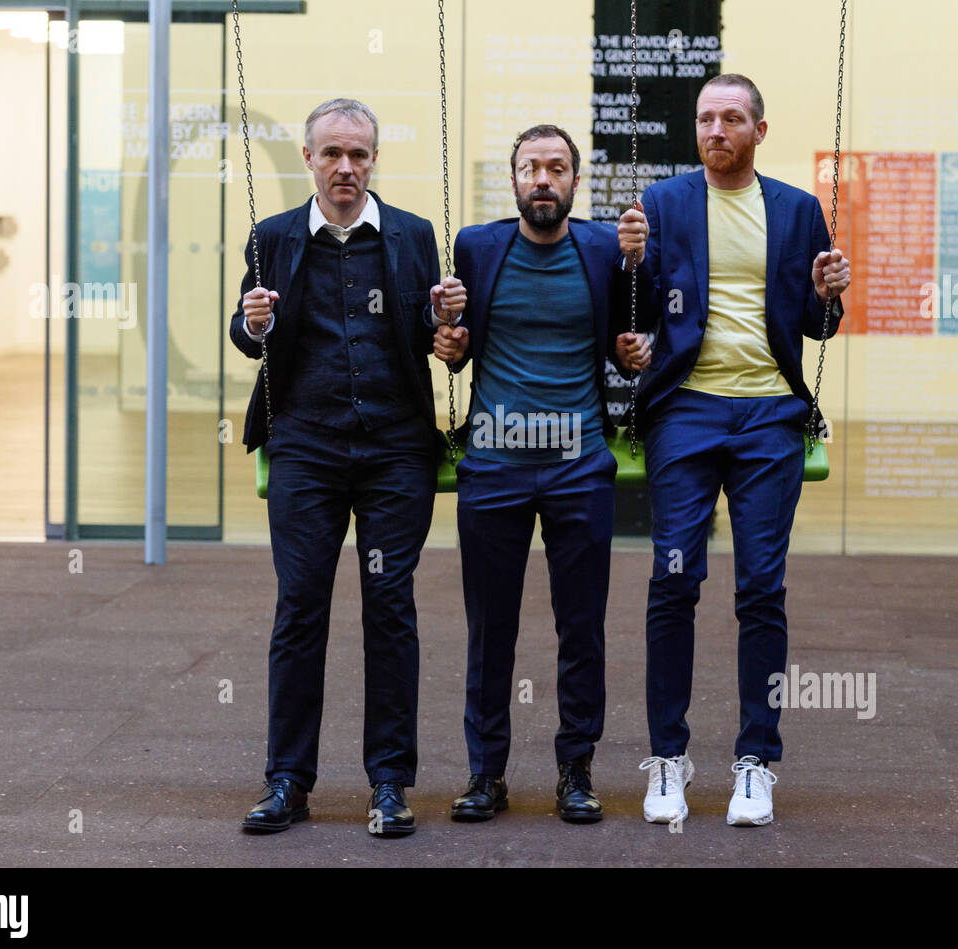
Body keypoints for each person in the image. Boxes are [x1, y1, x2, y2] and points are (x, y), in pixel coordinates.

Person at [230, 98, 466, 838]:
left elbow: (436, 337)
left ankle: (390, 782)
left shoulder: (412, 236)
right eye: (332, 153)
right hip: (306, 444)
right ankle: (288, 780)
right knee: (300, 604)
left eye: (359, 155)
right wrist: (252, 322)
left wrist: (450, 331)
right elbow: (246, 332)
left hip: (396, 448)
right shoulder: (272, 238)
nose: (345, 168)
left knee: (389, 606)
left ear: (373, 161)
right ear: (308, 159)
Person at [633, 75, 851, 826]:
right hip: (686, 411)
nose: (716, 129)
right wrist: (631, 267)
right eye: (705, 119)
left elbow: (819, 326)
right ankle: (668, 757)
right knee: (673, 581)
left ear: (760, 130)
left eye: (732, 118)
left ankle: (756, 762)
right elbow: (636, 308)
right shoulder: (663, 204)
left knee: (761, 587)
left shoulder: (796, 210)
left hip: (768, 416)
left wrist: (829, 292)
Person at [433, 124, 650, 824]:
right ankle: (485, 774)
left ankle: (575, 771)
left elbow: (625, 343)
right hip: (493, 464)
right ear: (515, 178)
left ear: (575, 182)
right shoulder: (477, 245)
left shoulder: (602, 250)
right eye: (532, 168)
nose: (543, 180)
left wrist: (634, 351)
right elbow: (458, 344)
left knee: (581, 626)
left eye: (557, 168)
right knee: (489, 627)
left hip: (579, 464)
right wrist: (451, 346)